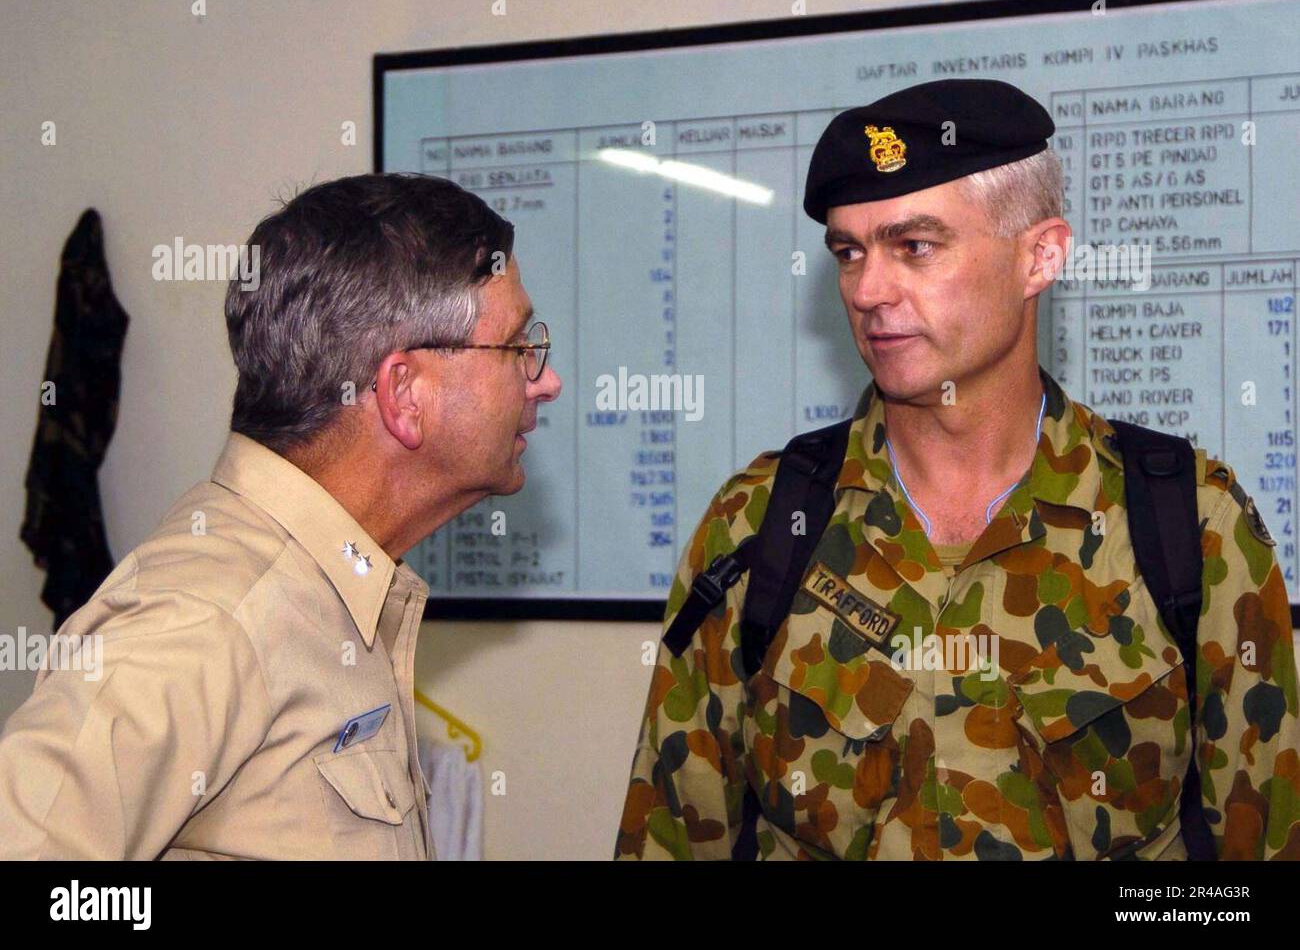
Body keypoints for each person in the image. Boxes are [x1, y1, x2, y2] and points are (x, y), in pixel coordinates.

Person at [616, 79, 1300, 861]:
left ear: (1040, 255)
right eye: (849, 252)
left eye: (915, 246)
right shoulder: (762, 524)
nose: (868, 291)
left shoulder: (1190, 527)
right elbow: (670, 836)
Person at [0, 173, 561, 859]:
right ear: (404, 395)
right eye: (516, 348)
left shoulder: (338, 585)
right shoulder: (209, 616)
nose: (545, 379)